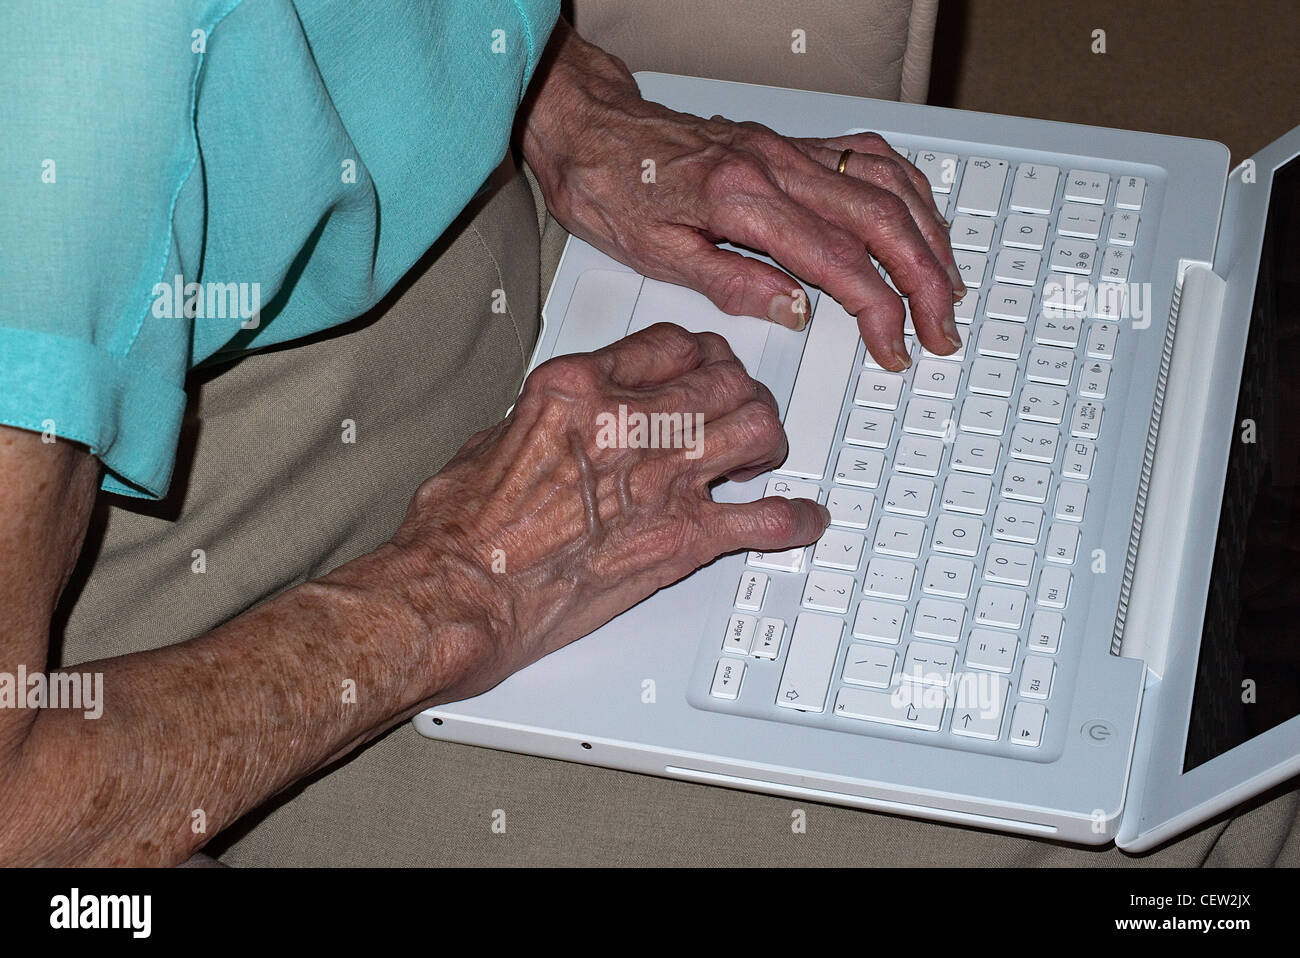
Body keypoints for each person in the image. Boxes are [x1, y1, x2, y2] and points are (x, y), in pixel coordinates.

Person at [0, 1, 964, 864]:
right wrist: (458, 593)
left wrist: (547, 91)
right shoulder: (61, 79)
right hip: (192, 593)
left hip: (481, 234)